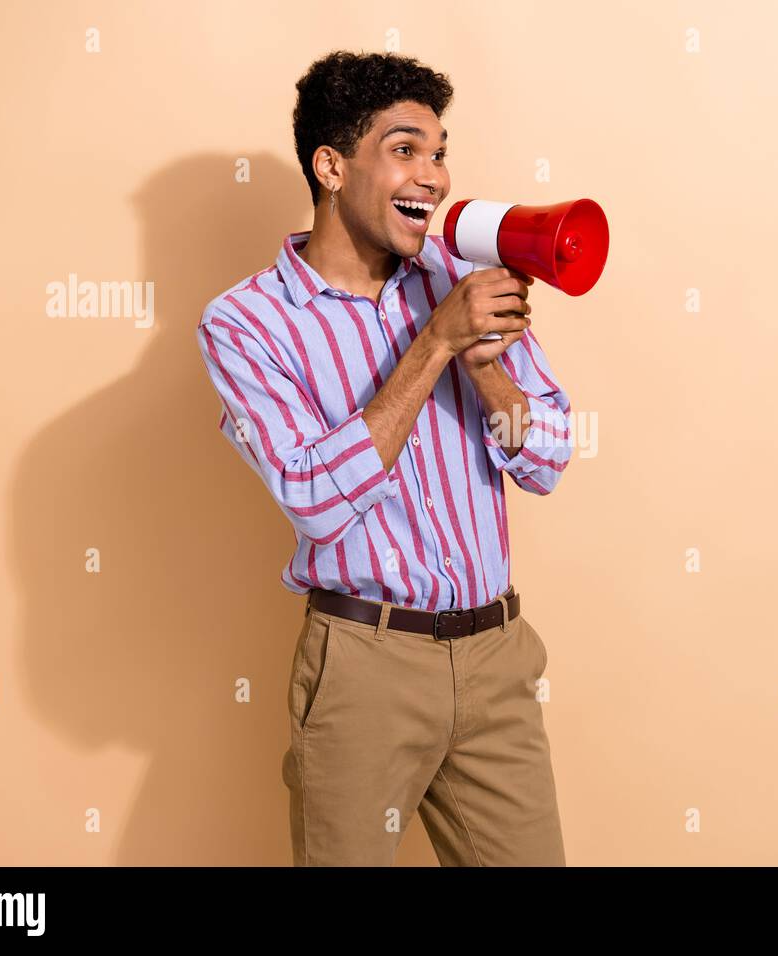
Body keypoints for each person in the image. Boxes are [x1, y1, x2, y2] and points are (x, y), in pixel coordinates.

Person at [194, 50, 572, 866]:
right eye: (405, 149)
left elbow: (545, 459)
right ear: (331, 165)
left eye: (439, 152)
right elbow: (315, 501)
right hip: (365, 666)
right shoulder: (247, 324)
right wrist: (436, 341)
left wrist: (485, 366)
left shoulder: (459, 276)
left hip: (497, 658)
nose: (432, 178)